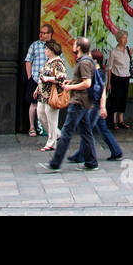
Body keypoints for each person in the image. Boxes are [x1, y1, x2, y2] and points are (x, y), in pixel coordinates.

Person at [41, 36, 99, 172]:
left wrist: (69, 88)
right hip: (84, 102)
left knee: (67, 131)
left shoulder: (84, 63)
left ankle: (55, 163)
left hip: (78, 101)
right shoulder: (86, 61)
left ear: (78, 48)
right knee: (86, 132)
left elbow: (87, 83)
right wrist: (71, 82)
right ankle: (91, 162)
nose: (72, 45)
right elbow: (82, 80)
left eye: (75, 44)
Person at [66, 49, 123, 163]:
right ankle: (116, 151)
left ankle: (81, 155)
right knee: (102, 129)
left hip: (94, 105)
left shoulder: (98, 73)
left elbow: (99, 90)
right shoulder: (96, 71)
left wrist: (102, 107)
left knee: (87, 130)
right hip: (95, 105)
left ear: (95, 60)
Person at [37, 39, 68, 151]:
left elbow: (62, 78)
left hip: (52, 95)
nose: (45, 50)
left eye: (46, 49)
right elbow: (41, 76)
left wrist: (48, 79)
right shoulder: (48, 61)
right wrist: (37, 89)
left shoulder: (58, 63)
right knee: (40, 115)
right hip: (43, 94)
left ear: (51, 50)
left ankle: (51, 142)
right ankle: (57, 134)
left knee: (51, 119)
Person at [24, 24, 53, 136]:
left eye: (44, 33)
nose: (41, 34)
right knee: (33, 103)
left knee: (48, 105)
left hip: (49, 80)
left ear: (50, 34)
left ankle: (47, 128)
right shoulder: (35, 45)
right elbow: (28, 61)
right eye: (40, 32)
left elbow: (61, 61)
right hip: (35, 78)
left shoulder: (54, 46)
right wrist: (29, 77)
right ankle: (32, 127)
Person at [108, 30, 133, 129]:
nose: (125, 40)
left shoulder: (127, 50)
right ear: (118, 39)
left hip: (125, 77)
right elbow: (109, 68)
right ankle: (114, 121)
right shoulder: (113, 52)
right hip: (116, 77)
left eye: (126, 38)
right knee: (115, 98)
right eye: (123, 38)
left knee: (123, 98)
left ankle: (121, 119)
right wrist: (109, 82)